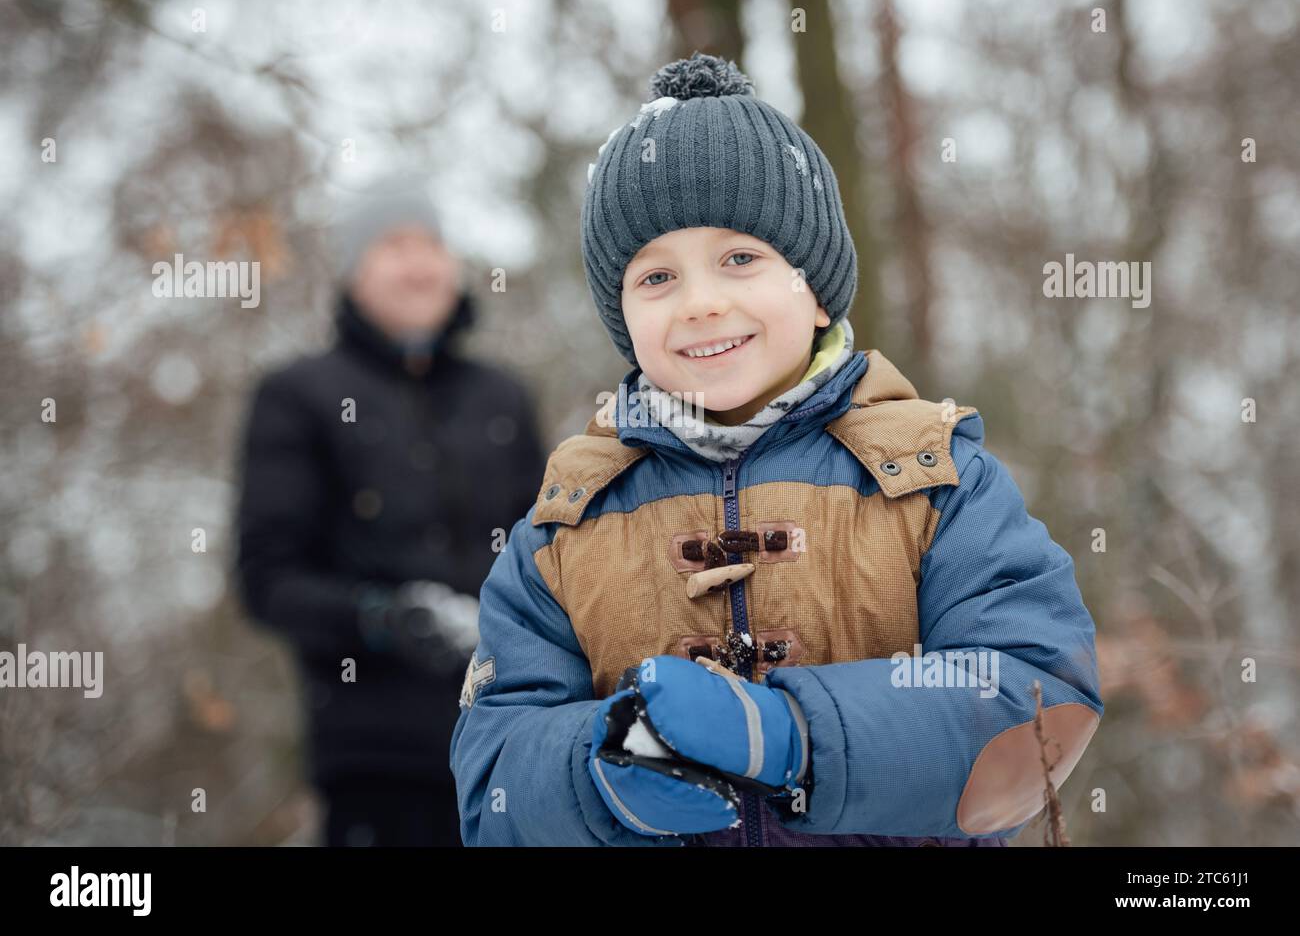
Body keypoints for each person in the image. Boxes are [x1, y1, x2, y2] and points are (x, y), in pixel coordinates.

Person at [450, 53, 1103, 847]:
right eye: (655, 278)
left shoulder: (936, 481)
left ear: (817, 287)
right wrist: (599, 775)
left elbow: (1037, 699)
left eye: (740, 258)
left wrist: (794, 735)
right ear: (621, 317)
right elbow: (493, 776)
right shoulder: (566, 528)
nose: (700, 303)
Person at [236, 177, 546, 846]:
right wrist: (383, 619)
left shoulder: (504, 397)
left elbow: (551, 555)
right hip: (376, 765)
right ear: (353, 271)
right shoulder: (298, 396)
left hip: (516, 747)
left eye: (432, 243)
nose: (420, 263)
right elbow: (268, 580)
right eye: (394, 244)